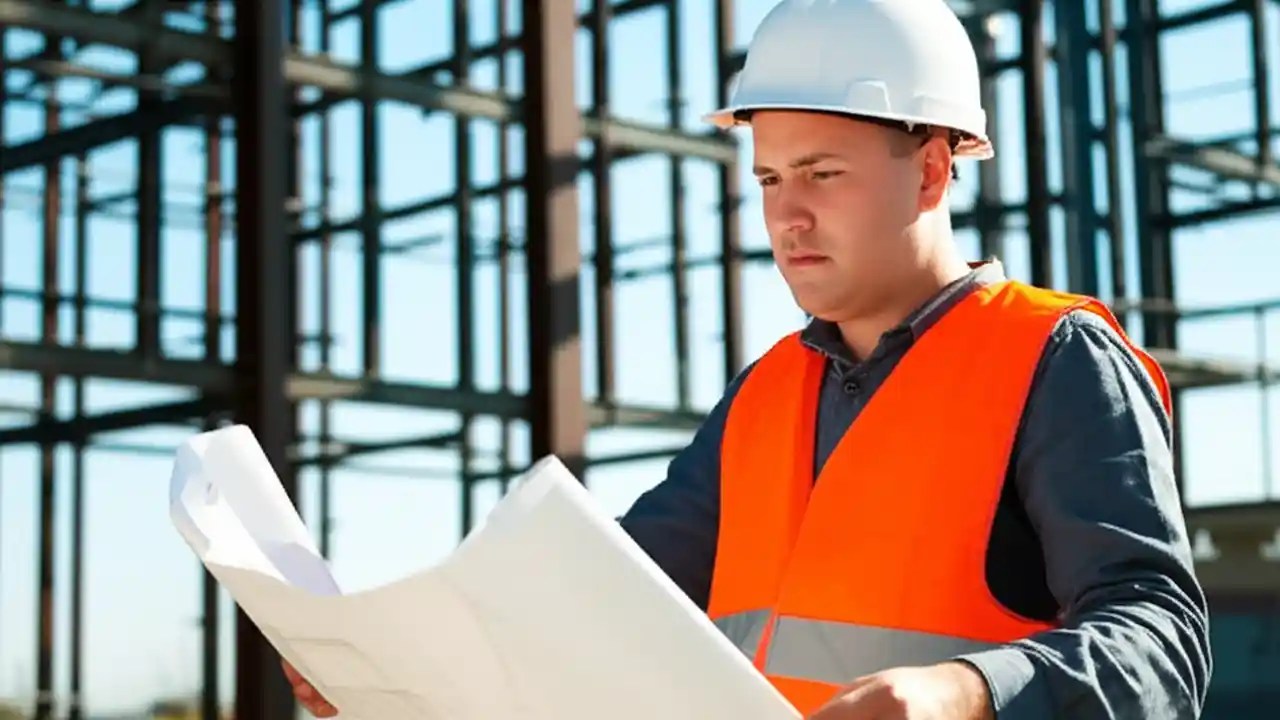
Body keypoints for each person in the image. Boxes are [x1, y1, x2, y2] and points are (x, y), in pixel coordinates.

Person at [284, 0, 1212, 718]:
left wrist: (964, 693)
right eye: (769, 177)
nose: (785, 215)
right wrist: (396, 669)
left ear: (931, 169)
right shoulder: (768, 393)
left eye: (822, 173)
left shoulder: (1054, 357)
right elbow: (603, 601)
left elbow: (1161, 643)